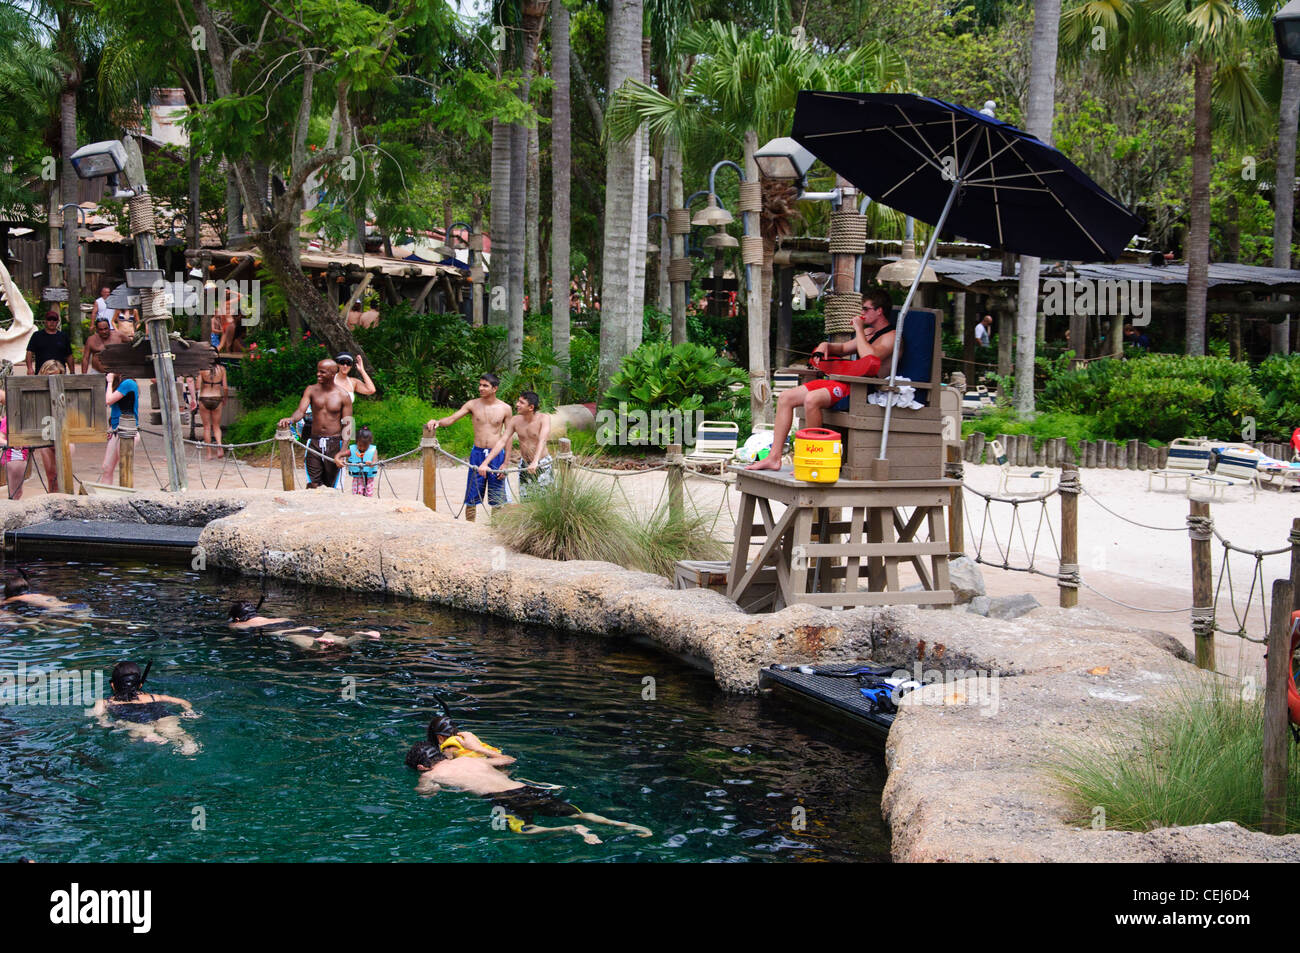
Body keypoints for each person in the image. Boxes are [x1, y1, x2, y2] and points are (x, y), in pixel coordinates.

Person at [407, 718, 651, 844]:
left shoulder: (431, 774)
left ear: (421, 766)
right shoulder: (474, 760)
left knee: (524, 831)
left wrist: (426, 785)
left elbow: (426, 794)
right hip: (524, 788)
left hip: (504, 800)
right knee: (580, 813)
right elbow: (508, 760)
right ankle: (626, 826)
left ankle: (571, 830)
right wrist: (476, 747)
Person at [747, 290, 896, 472]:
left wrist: (858, 330)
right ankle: (774, 457)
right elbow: (841, 348)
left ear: (879, 311)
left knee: (812, 399)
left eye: (865, 309)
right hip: (846, 381)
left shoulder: (892, 337)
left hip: (865, 388)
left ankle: (813, 458)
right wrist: (825, 346)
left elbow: (870, 357)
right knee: (786, 397)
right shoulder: (868, 333)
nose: (861, 313)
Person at [427, 373, 511, 521]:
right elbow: (452, 418)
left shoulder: (505, 408)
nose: (481, 388)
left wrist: (505, 462)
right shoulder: (472, 404)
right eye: (480, 385)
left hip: (497, 455)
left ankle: (496, 528)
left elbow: (508, 436)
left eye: (485, 386)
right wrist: (438, 422)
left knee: (497, 496)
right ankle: (469, 527)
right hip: (477, 454)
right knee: (472, 495)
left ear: (495, 388)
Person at [88, 661, 199, 755]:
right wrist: (189, 711)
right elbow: (184, 702)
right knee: (175, 732)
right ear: (140, 685)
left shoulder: (105, 702)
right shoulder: (153, 697)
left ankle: (150, 735)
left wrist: (108, 723)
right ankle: (188, 745)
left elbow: (98, 717)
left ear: (112, 685)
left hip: (132, 719)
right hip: (161, 715)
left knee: (134, 727)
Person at [280, 360, 353, 489]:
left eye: (322, 372)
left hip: (334, 443)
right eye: (318, 371)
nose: (318, 374)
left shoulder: (343, 395)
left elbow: (348, 424)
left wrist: (342, 451)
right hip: (314, 442)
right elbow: (301, 411)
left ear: (332, 374)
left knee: (333, 486)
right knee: (312, 483)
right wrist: (291, 419)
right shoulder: (311, 390)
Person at [476, 390, 552, 499]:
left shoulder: (544, 418)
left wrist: (535, 461)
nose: (517, 404)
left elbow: (542, 440)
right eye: (518, 401)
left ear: (531, 407)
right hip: (525, 464)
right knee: (526, 499)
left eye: (521, 402)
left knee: (545, 500)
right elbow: (502, 441)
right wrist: (485, 463)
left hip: (542, 463)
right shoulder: (515, 420)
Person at [227, 600, 380, 649]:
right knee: (344, 643)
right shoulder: (279, 618)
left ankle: (317, 645)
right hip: (306, 628)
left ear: (238, 619)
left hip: (290, 634)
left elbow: (234, 629)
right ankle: (361, 636)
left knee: (313, 647)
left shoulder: (239, 624)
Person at [98, 373, 139, 484]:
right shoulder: (118, 384)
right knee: (106, 467)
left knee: (124, 466)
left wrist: (110, 382)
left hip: (127, 430)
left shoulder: (128, 383)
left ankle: (125, 495)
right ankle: (105, 498)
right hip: (116, 429)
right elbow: (115, 409)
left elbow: (109, 401)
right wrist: (111, 427)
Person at [333, 425, 379, 497]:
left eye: (365, 446)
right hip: (357, 477)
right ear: (356, 442)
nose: (362, 448)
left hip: (369, 477)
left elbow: (374, 462)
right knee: (357, 493)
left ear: (370, 443)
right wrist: (336, 459)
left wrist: (371, 464)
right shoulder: (352, 450)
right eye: (360, 445)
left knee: (369, 494)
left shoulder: (373, 450)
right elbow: (340, 454)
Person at [0, 389, 29, 500]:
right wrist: (12, 443)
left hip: (19, 455)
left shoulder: (21, 417)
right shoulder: (12, 418)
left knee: (16, 492)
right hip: (15, 455)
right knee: (15, 493)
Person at [196, 359, 228, 459]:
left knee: (206, 427)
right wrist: (225, 398)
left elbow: (197, 386)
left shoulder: (202, 370)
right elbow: (225, 387)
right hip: (217, 397)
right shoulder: (222, 369)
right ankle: (219, 446)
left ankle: (209, 453)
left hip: (204, 397)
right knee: (216, 426)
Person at [25, 310, 72, 376]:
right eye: (49, 319)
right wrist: (29, 368)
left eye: (54, 320)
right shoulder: (37, 335)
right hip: (42, 371)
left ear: (57, 322)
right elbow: (29, 352)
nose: (52, 322)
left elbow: (69, 355)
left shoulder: (63, 336)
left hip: (60, 372)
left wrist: (72, 371)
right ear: (45, 321)